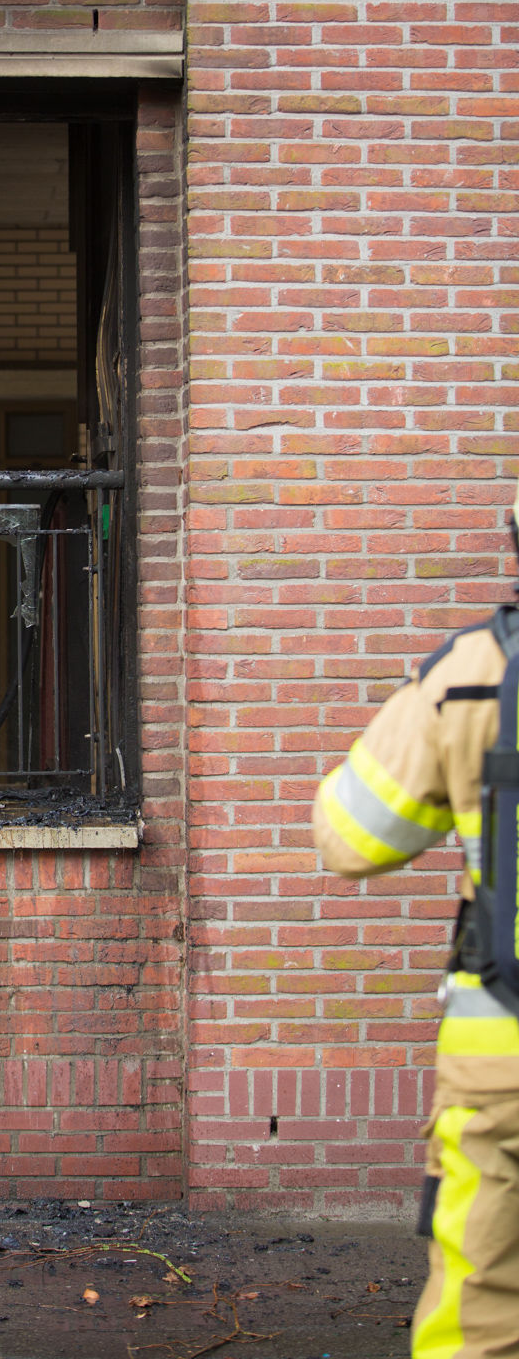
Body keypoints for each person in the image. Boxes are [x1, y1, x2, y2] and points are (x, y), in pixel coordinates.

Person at [313, 482, 519, 1359]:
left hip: (503, 1051)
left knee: (481, 1314)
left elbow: (350, 837)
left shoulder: (472, 674)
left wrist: (447, 755)